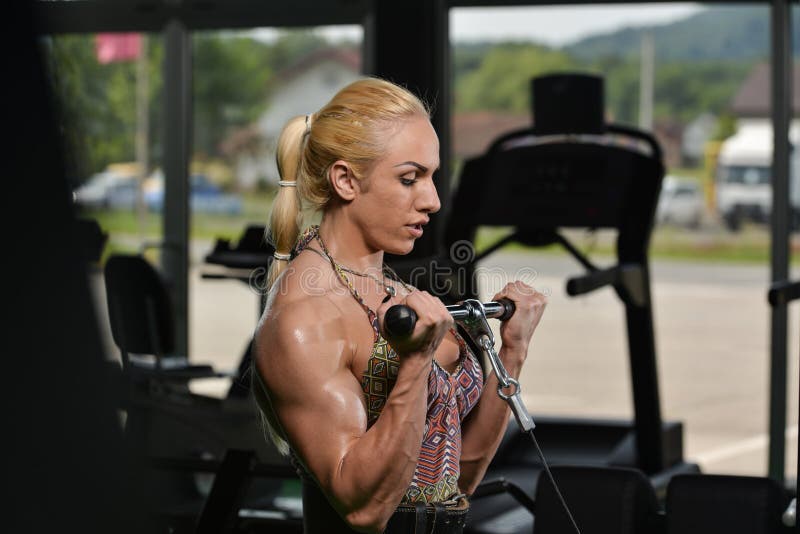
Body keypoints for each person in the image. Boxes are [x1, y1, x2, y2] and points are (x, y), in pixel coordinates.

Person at [252, 77, 547, 534]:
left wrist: (513, 351)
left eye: (430, 177)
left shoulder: (388, 286)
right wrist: (414, 363)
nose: (431, 201)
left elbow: (456, 482)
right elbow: (363, 510)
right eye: (409, 178)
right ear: (346, 180)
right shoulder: (303, 320)